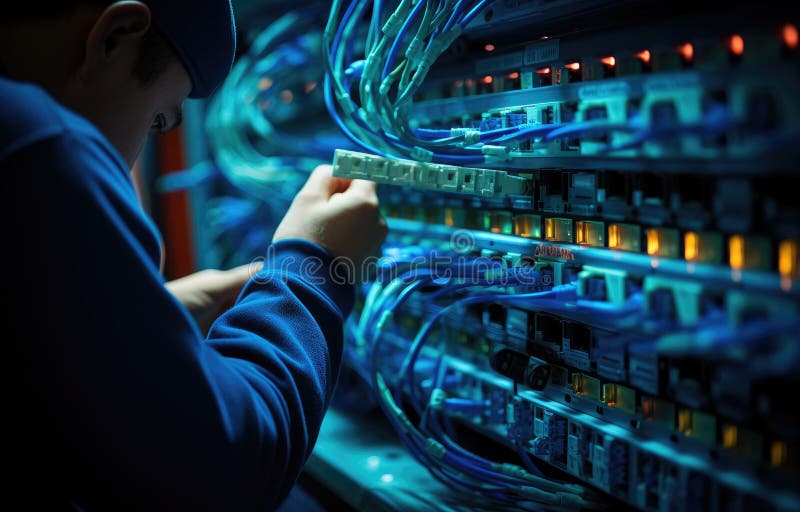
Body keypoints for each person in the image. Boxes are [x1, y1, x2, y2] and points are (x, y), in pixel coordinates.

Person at [1, 1, 387, 510]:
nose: (134, 156)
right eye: (158, 119)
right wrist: (316, 263)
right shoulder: (36, 145)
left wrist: (151, 317)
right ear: (114, 37)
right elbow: (229, 471)